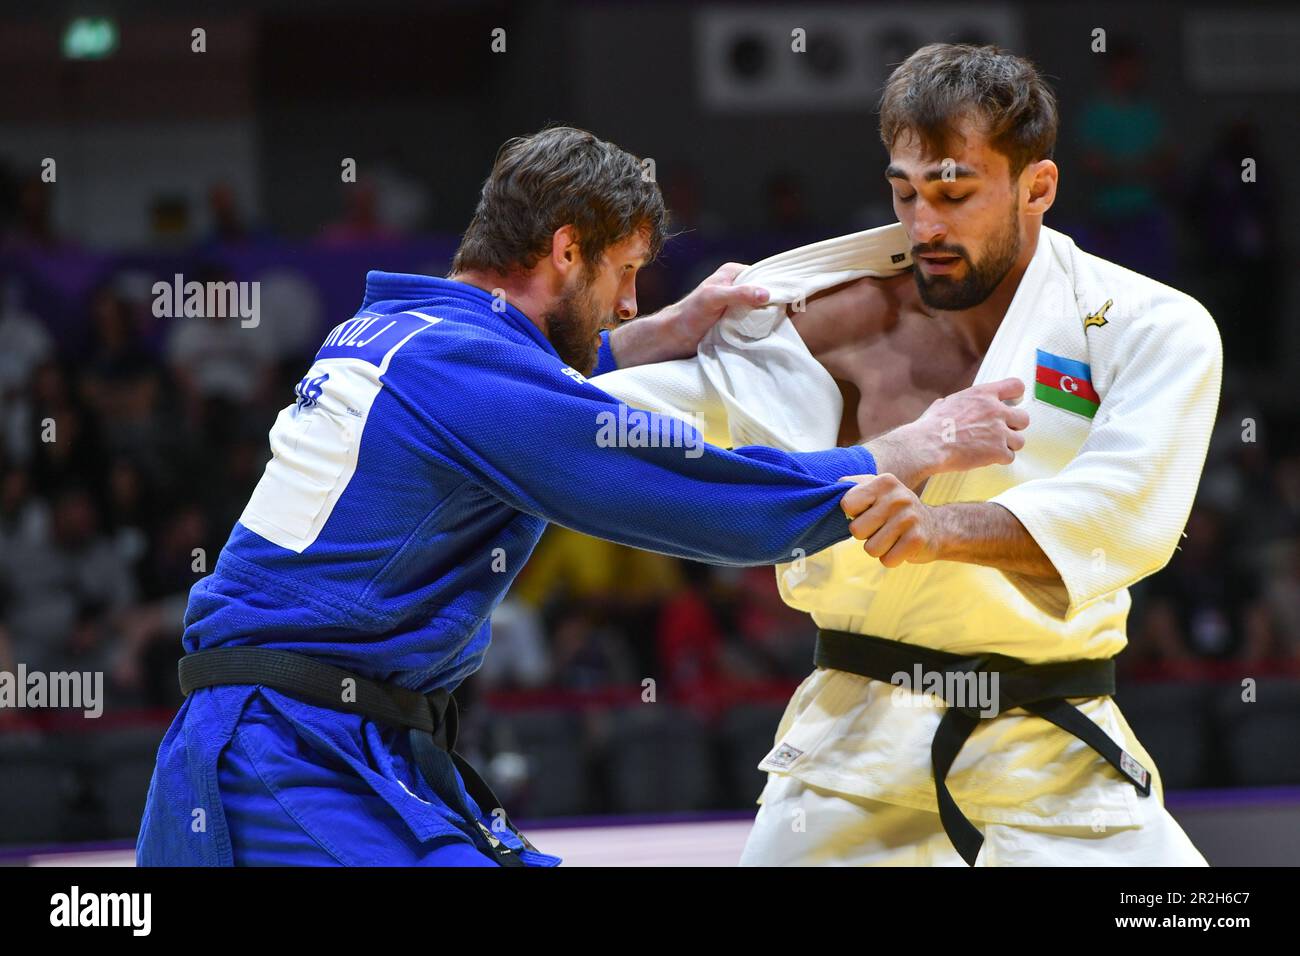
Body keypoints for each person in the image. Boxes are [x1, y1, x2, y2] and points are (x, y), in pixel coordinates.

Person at [136, 125, 1024, 867]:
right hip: (281, 753)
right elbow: (703, 498)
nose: (632, 304)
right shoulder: (467, 374)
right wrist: (914, 446)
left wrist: (669, 334)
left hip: (307, 737)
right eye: (624, 274)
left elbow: (522, 390)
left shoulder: (397, 331)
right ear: (565, 250)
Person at [597, 44, 1221, 866]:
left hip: (1060, 761)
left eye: (955, 193)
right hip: (848, 755)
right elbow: (592, 419)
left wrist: (939, 528)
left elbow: (1128, 516)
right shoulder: (823, 319)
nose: (924, 225)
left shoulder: (1145, 325)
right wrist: (632, 341)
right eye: (905, 193)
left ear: (1037, 187)